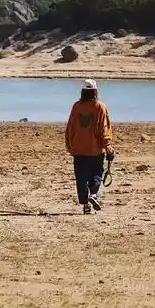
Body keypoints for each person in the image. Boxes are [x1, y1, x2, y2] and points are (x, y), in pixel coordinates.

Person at [65, 78, 114, 214]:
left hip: (79, 150)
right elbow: (104, 128)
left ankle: (85, 205)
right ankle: (93, 194)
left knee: (81, 178)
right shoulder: (100, 107)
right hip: (95, 150)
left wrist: (70, 146)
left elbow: (70, 127)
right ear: (95, 92)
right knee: (96, 175)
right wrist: (108, 145)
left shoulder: (76, 106)